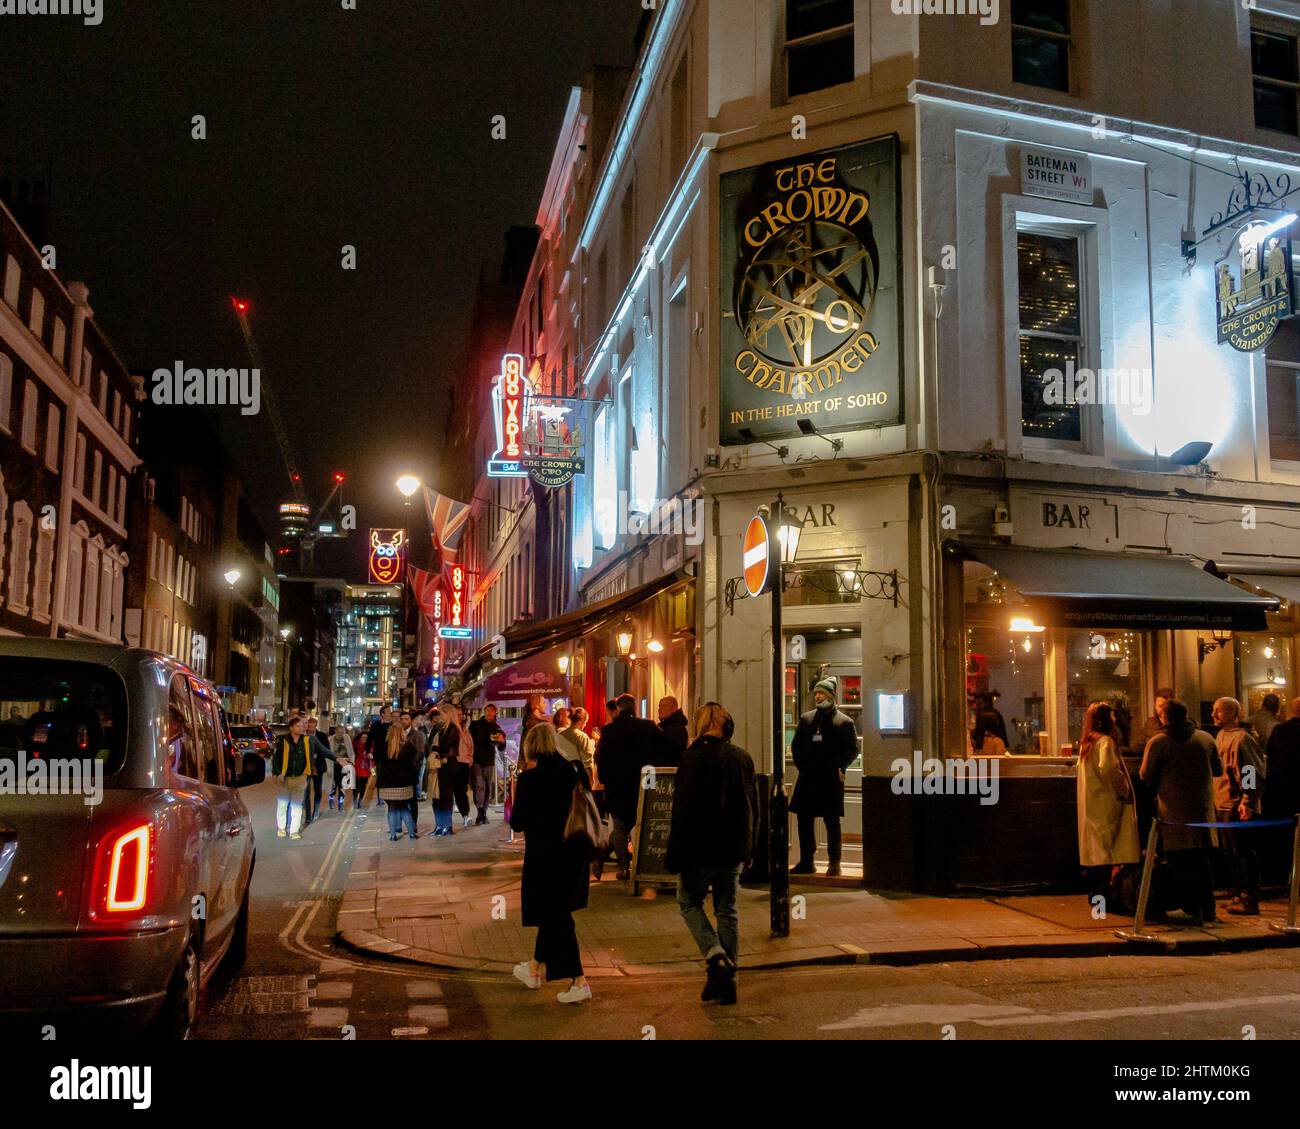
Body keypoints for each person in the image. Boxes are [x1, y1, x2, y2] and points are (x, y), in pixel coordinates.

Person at [666, 702, 756, 1006]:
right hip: (730, 849)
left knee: (688, 902)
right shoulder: (742, 758)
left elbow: (683, 809)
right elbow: (749, 809)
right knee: (726, 909)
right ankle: (728, 980)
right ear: (727, 726)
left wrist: (674, 852)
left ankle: (716, 957)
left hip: (697, 848)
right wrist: (749, 847)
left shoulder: (691, 759)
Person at [509, 723, 593, 1005]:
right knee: (553, 912)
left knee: (557, 917)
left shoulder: (530, 779)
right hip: (574, 852)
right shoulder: (573, 770)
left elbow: (517, 822)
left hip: (545, 857)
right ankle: (533, 968)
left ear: (531, 747)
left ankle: (579, 980)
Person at [1139, 699, 1222, 925]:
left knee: (1179, 863)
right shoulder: (1206, 738)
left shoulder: (1159, 742)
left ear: (1164, 718)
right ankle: (1208, 908)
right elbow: (1218, 769)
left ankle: (1190, 907)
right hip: (1203, 812)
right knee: (1202, 863)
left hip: (1173, 814)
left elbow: (1145, 776)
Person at [789, 677, 859, 877]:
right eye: (817, 693)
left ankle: (834, 863)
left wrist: (839, 766)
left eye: (822, 693)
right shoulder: (807, 719)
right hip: (808, 778)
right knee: (804, 820)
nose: (818, 696)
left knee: (832, 821)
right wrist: (803, 766)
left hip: (830, 780)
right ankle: (806, 861)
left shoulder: (845, 722)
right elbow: (796, 746)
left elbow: (853, 749)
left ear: (831, 695)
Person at [1075, 701, 1139, 909]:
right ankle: (1104, 900)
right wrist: (1123, 791)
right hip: (1107, 803)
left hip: (1091, 804)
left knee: (1095, 855)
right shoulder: (1106, 742)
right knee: (1106, 854)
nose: (1114, 720)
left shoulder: (1087, 743)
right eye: (1111, 717)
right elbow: (1108, 767)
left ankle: (1096, 899)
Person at [595, 693, 663, 881]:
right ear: (634, 708)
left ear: (618, 709)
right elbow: (664, 749)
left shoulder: (609, 731)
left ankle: (623, 867)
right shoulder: (648, 727)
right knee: (642, 823)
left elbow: (601, 757)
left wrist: (604, 778)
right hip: (644, 781)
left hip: (617, 784)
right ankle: (642, 865)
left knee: (620, 826)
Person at [1212, 697, 1266, 916]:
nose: (1214, 715)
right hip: (1222, 801)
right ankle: (1237, 892)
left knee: (1243, 852)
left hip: (1236, 803)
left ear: (1233, 714)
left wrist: (1247, 800)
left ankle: (1250, 897)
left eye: (1219, 711)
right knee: (1230, 852)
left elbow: (1251, 770)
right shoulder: (1221, 735)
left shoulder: (1242, 739)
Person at [376, 721, 417, 841]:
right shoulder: (408, 746)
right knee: (404, 808)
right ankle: (411, 834)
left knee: (392, 809)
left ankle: (393, 835)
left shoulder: (384, 746)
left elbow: (379, 763)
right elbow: (412, 764)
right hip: (404, 783)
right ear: (402, 733)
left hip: (387, 783)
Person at [271, 716, 311, 839]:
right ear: (291, 728)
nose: (301, 728)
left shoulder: (306, 740)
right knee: (282, 805)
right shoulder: (282, 741)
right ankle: (281, 829)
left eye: (302, 726)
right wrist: (278, 773)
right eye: (298, 726)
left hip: (300, 778)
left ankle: (294, 831)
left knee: (297, 806)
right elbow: (276, 759)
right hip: (285, 777)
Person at [469, 703, 506, 824]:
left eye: (492, 711)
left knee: (488, 786)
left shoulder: (497, 727)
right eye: (487, 710)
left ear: (495, 713)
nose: (490, 713)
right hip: (476, 760)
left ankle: (483, 812)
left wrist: (501, 740)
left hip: (489, 760)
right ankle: (480, 811)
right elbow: (469, 742)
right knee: (479, 785)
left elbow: (501, 747)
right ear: (484, 711)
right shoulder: (475, 725)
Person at [429, 701, 461, 836]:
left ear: (448, 714)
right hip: (438, 764)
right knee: (436, 796)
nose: (439, 717)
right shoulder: (439, 728)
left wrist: (436, 749)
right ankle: (439, 825)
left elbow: (445, 748)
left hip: (448, 765)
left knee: (445, 796)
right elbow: (430, 743)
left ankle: (446, 825)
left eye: (442, 714)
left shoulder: (453, 729)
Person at [398, 710, 427, 835]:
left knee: (412, 800)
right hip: (398, 772)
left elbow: (420, 753)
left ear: (410, 720)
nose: (404, 721)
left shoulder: (418, 735)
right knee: (399, 799)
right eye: (402, 719)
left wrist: (413, 767)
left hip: (411, 772)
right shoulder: (396, 734)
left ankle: (413, 825)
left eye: (406, 719)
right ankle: (398, 825)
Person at [304, 717, 335, 823]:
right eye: (309, 727)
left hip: (318, 767)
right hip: (306, 767)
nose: (311, 729)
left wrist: (317, 753)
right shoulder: (304, 735)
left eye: (313, 727)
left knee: (317, 789)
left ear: (316, 726)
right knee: (306, 792)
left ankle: (316, 810)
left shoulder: (321, 736)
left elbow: (326, 750)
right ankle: (308, 815)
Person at [563, 708, 596, 781]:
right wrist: (591, 780)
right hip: (578, 778)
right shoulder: (582, 737)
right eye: (586, 722)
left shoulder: (560, 734)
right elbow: (587, 763)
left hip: (563, 776)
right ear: (581, 721)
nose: (585, 725)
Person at [656, 696, 689, 768]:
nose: (659, 709)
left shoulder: (677, 729)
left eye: (664, 706)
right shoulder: (664, 726)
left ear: (674, 709)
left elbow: (671, 752)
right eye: (659, 706)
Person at [329, 725, 355, 812]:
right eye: (339, 732)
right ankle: (331, 797)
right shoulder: (331, 739)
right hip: (335, 764)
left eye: (342, 732)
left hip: (344, 765)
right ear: (335, 731)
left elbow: (350, 751)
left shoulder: (346, 738)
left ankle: (341, 803)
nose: (341, 734)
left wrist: (351, 761)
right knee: (334, 783)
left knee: (343, 784)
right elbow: (329, 753)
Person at [352, 726, 373, 811]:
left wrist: (370, 755)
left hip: (366, 767)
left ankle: (360, 799)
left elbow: (372, 753)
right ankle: (354, 798)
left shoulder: (370, 745)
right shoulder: (355, 744)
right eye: (363, 737)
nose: (364, 739)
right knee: (356, 784)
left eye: (366, 737)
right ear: (360, 738)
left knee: (364, 784)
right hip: (356, 766)